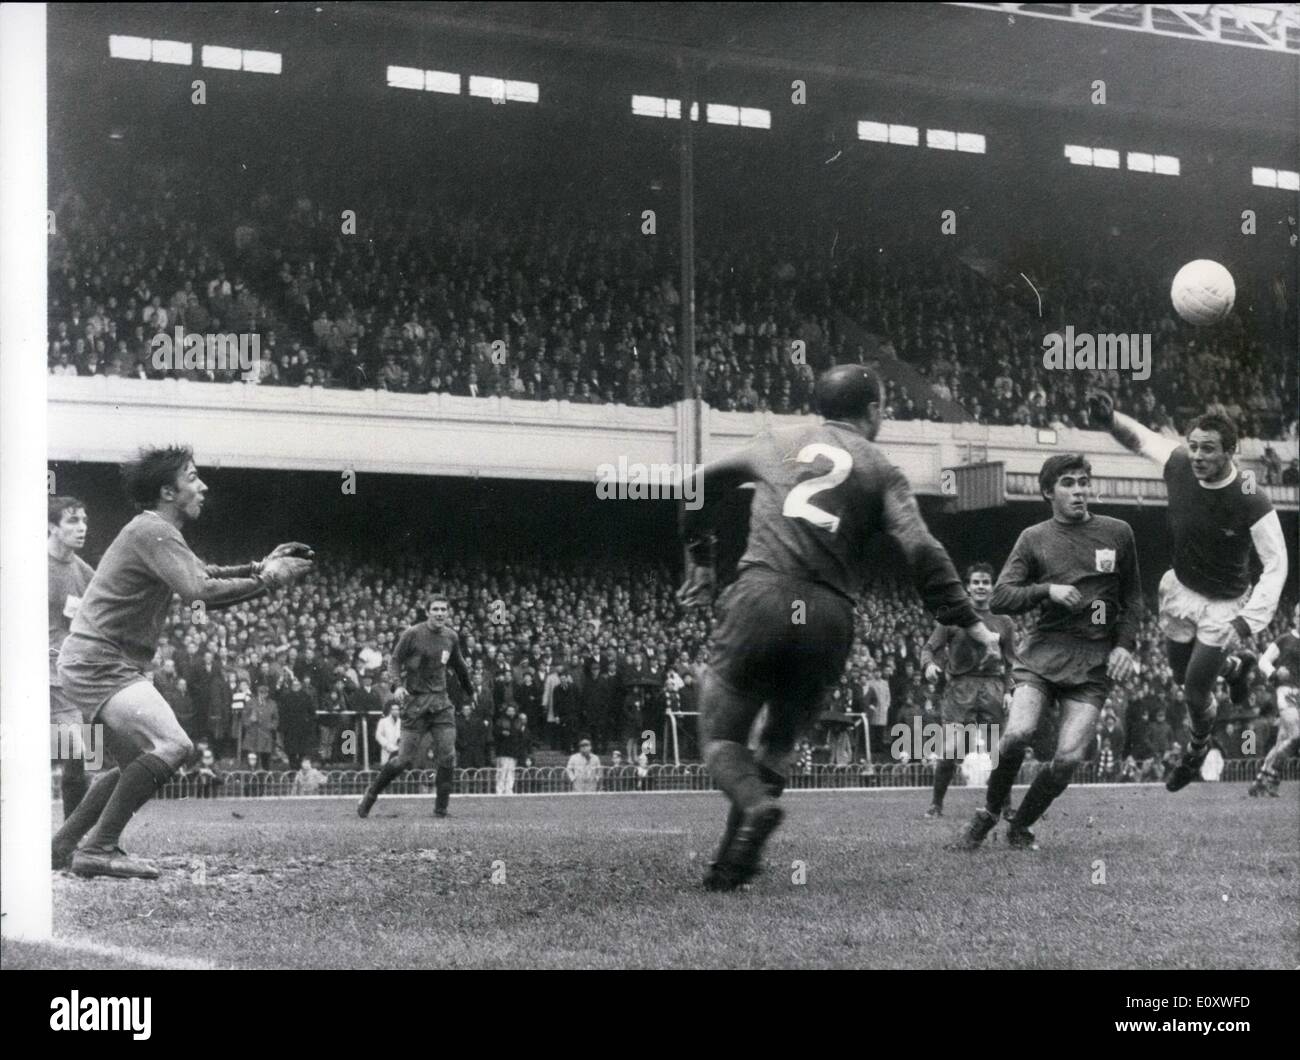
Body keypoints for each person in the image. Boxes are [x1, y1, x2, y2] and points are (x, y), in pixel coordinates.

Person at [678, 364, 998, 891]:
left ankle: (754, 808)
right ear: (872, 410)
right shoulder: (882, 468)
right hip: (829, 616)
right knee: (777, 744)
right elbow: (923, 550)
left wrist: (703, 560)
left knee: (720, 738)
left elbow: (694, 487)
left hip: (763, 594)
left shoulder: (775, 440)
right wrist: (969, 621)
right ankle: (729, 866)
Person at [51, 444, 313, 878]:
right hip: (100, 663)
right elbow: (199, 592)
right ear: (167, 492)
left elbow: (202, 575)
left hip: (93, 661)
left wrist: (258, 566)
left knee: (130, 762)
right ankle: (97, 847)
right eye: (192, 477)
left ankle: (62, 846)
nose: (203, 485)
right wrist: (267, 580)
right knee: (174, 746)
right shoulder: (152, 531)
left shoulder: (153, 530)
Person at [1092, 394, 1287, 791]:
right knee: (1182, 677)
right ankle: (1236, 667)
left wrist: (1247, 623)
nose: (1197, 455)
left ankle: (1195, 751)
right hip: (1181, 589)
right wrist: (1109, 417)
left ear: (1230, 452)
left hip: (1223, 603)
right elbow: (1140, 439)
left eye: (1209, 449)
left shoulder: (1250, 498)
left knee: (1195, 692)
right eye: (1194, 445)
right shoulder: (1180, 462)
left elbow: (1277, 563)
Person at [956, 453, 1142, 851]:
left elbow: (1133, 599)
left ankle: (1020, 826)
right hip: (1043, 653)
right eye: (1068, 483)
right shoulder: (1034, 537)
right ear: (1047, 492)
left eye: (1083, 481)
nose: (1079, 490)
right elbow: (1003, 596)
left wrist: (1125, 645)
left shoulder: (1118, 532)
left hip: (1093, 661)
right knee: (1018, 733)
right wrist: (1047, 590)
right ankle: (988, 813)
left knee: (1067, 759)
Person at [357, 595, 473, 819]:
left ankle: (441, 809)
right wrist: (397, 686)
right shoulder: (412, 634)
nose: (440, 613)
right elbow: (394, 661)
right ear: (427, 611)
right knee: (403, 760)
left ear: (447, 613)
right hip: (415, 704)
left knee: (448, 756)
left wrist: (470, 691)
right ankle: (370, 796)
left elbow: (459, 666)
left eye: (443, 610)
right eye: (435, 609)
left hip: (440, 703)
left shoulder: (451, 637)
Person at [920, 561, 1017, 819]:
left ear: (992, 586)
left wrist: (1009, 691)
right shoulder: (952, 617)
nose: (981, 587)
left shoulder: (1004, 622)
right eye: (976, 582)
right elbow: (929, 648)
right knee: (951, 749)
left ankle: (1005, 807)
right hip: (960, 689)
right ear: (967, 587)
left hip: (993, 688)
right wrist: (929, 665)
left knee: (997, 751)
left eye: (985, 582)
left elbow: (1011, 662)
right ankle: (936, 805)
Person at [48, 495, 96, 820]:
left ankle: (69, 840)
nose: (82, 528)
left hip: (65, 679)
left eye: (84, 521)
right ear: (51, 527)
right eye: (72, 521)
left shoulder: (84, 572)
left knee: (80, 757)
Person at [1248, 602, 1300, 797]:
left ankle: (1259, 781)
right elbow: (1263, 661)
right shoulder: (1285, 640)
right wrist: (1275, 674)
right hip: (1286, 692)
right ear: (1295, 618)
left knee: (1282, 741)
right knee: (1296, 735)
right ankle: (1273, 777)